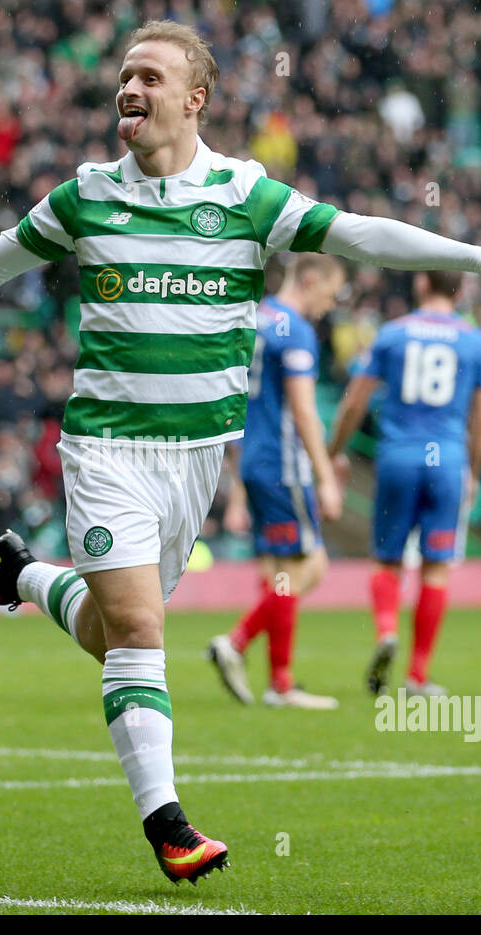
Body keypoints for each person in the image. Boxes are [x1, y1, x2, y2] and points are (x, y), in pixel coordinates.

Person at [0, 22, 481, 881]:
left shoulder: (247, 197)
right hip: (106, 452)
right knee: (139, 629)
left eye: (149, 77)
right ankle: (169, 826)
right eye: (124, 76)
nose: (128, 89)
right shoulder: (86, 195)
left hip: (199, 457)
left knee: (110, 631)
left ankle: (20, 576)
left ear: (194, 98)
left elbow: (360, 235)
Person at [328, 271, 481, 697]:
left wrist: (333, 453)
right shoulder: (474, 340)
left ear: (422, 284)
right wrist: (473, 473)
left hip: (398, 457)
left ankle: (386, 629)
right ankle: (417, 676)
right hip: (447, 461)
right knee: (435, 567)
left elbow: (354, 401)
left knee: (387, 560)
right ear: (458, 290)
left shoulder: (392, 334)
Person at [206, 254, 345, 709]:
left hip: (254, 464)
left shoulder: (254, 320)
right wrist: (325, 476)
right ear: (309, 279)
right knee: (309, 568)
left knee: (278, 575)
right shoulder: (297, 330)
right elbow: (303, 410)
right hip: (286, 469)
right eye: (329, 292)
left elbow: (237, 404)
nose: (330, 303)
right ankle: (237, 641)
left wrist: (240, 488)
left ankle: (279, 683)